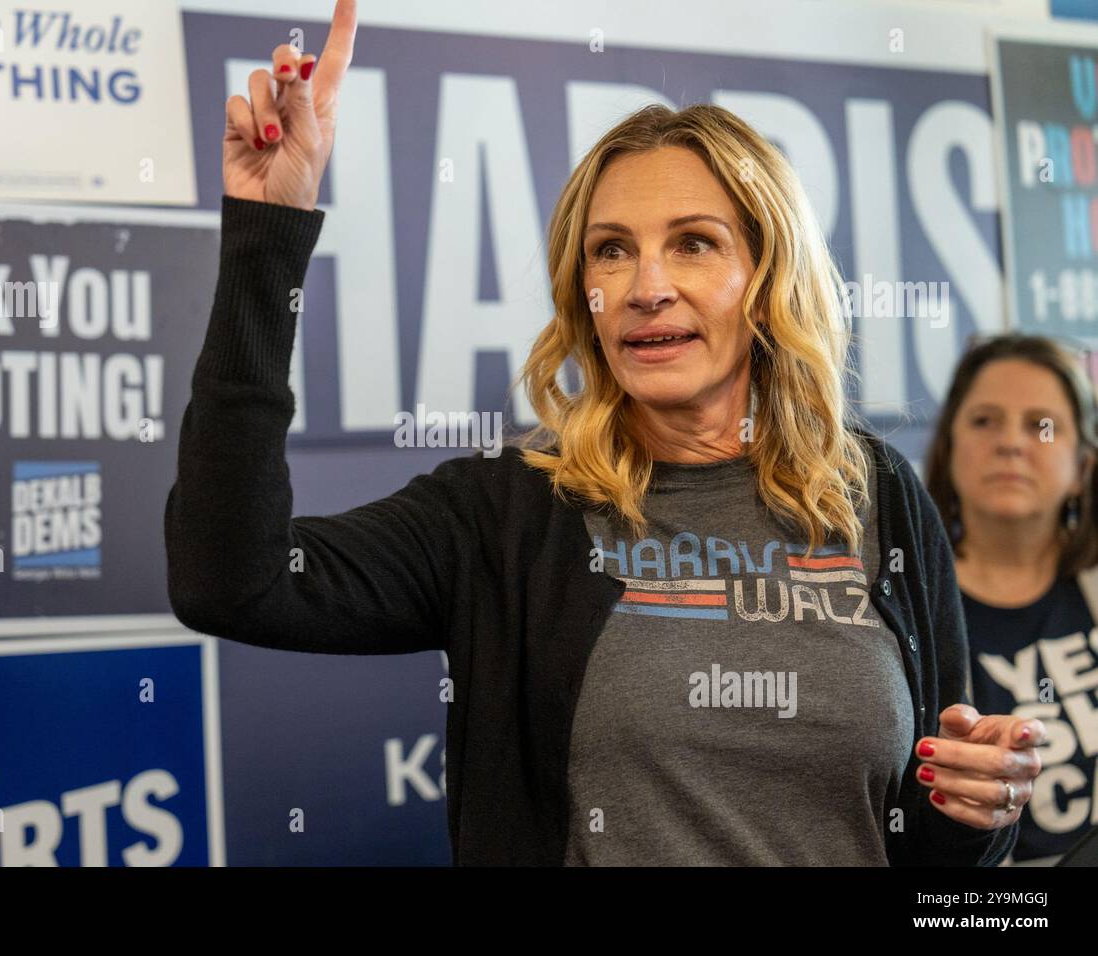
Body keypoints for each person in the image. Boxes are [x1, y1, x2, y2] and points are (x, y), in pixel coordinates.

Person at [165, 0, 1041, 865]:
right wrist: (266, 242)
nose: (644, 286)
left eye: (695, 243)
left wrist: (976, 814)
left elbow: (934, 858)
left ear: (772, 278)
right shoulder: (506, 510)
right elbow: (231, 581)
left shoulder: (877, 491)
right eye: (611, 250)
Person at [926, 334, 1098, 865]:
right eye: (985, 421)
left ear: (1082, 469)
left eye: (1040, 426)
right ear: (949, 450)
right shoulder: (900, 611)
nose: (1011, 443)